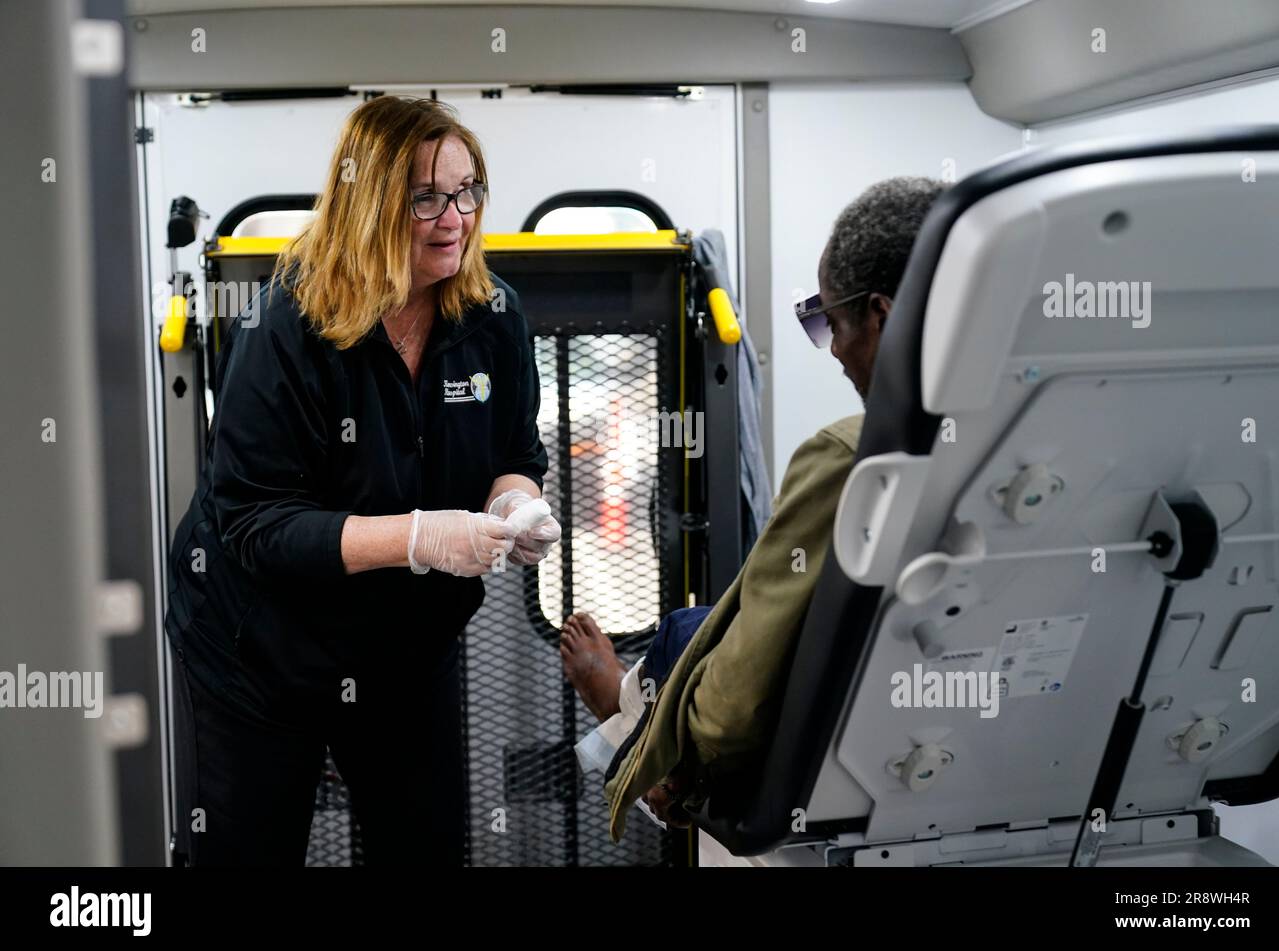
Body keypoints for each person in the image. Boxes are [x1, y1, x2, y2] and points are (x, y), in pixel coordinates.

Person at [164, 95, 560, 866]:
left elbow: (517, 448)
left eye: (469, 190)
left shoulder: (493, 315)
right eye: (426, 198)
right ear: (371, 201)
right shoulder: (286, 325)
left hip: (405, 651)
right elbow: (258, 525)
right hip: (262, 650)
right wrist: (419, 538)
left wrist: (519, 502)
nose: (456, 218)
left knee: (424, 850)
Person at [556, 176, 945, 839]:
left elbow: (733, 707)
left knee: (689, 633)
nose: (834, 352)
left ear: (880, 316)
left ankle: (629, 718)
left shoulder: (848, 457)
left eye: (828, 320)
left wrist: (683, 760)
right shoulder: (1042, 441)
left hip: (819, 752)